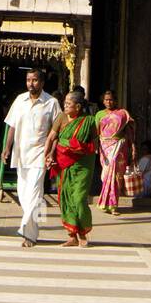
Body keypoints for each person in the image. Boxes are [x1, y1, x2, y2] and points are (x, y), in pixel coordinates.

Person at [2, 67, 62, 247]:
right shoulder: (20, 100)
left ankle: (26, 232)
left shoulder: (51, 103)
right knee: (24, 194)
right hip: (20, 154)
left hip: (40, 154)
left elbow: (57, 130)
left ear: (42, 82)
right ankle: (33, 232)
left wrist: (52, 151)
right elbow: (11, 126)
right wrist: (7, 148)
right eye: (28, 80)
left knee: (35, 192)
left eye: (35, 80)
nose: (31, 83)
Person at [45, 91, 98, 247]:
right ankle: (72, 235)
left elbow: (95, 145)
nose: (65, 106)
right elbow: (52, 137)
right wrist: (46, 155)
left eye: (68, 104)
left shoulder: (89, 121)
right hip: (64, 163)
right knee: (66, 198)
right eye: (65, 103)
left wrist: (77, 147)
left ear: (78, 106)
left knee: (79, 199)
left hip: (83, 165)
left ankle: (83, 233)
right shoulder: (61, 117)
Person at [95, 89, 136, 215]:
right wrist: (96, 147)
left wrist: (133, 147)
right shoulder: (99, 115)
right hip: (105, 148)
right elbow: (96, 133)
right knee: (106, 175)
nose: (109, 102)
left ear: (116, 100)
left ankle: (113, 205)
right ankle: (105, 203)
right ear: (103, 101)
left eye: (111, 99)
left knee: (117, 176)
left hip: (119, 147)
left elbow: (130, 132)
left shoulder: (122, 114)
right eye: (106, 100)